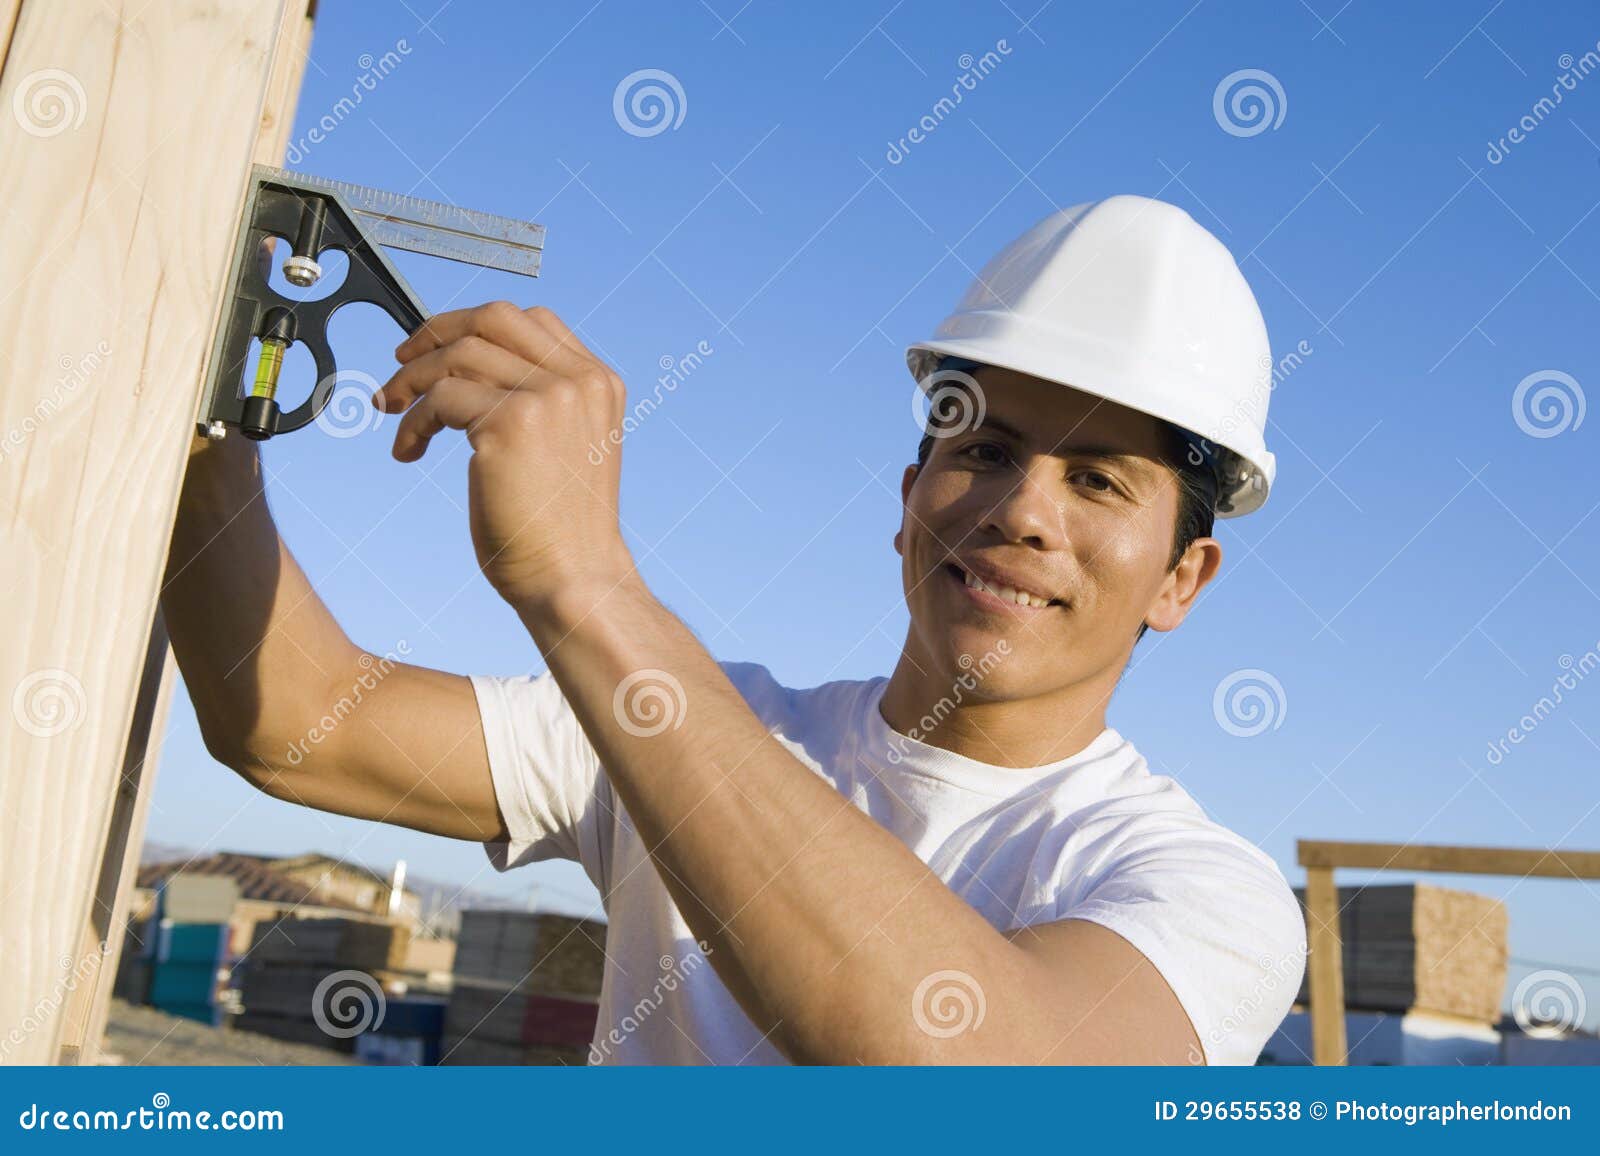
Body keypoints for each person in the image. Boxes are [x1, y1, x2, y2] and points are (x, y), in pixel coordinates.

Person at [162, 193, 1306, 1066]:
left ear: (1181, 578)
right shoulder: (699, 726)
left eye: (1100, 482)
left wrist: (588, 585)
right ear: (911, 498)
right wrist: (204, 420)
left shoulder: (1205, 896)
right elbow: (295, 720)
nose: (1021, 512)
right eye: (985, 451)